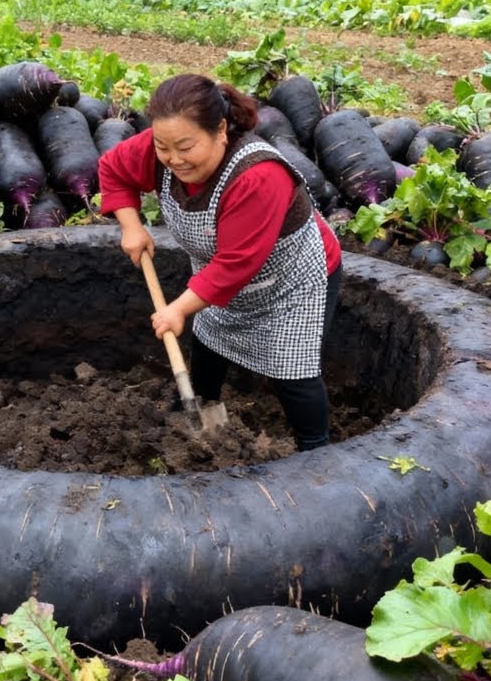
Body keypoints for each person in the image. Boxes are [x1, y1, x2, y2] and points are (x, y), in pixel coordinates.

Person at [97, 73, 343, 452]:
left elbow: (236, 264)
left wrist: (178, 308)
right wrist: (131, 226)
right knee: (209, 341)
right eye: (164, 147)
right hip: (224, 273)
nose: (174, 159)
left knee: (292, 370)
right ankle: (196, 415)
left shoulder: (258, 176)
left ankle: (315, 451)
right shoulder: (162, 147)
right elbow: (113, 169)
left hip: (293, 280)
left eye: (185, 147)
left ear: (221, 130)